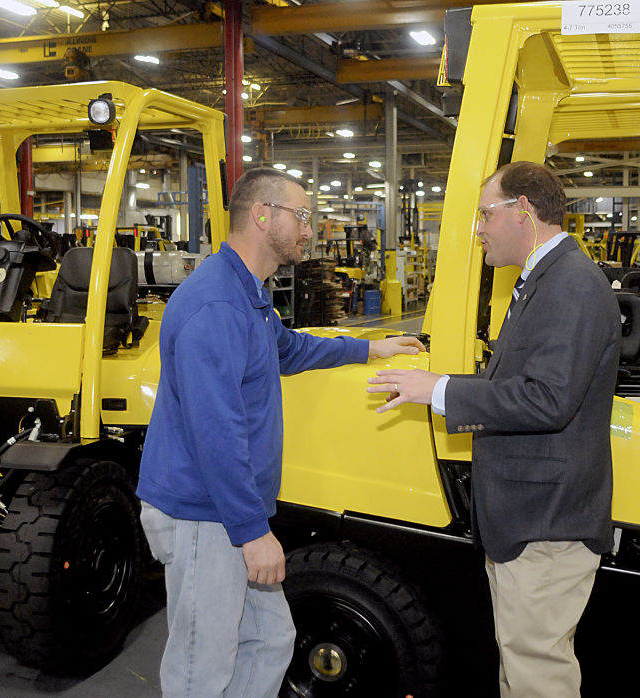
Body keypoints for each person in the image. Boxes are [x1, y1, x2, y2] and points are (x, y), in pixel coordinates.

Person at [137, 167, 425, 698]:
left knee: (271, 639)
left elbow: (287, 349)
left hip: (228, 512)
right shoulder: (217, 304)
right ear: (262, 215)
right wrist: (251, 531)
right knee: (202, 667)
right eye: (302, 216)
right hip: (206, 516)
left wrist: (366, 348)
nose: (310, 230)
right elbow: (215, 433)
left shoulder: (249, 292)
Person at [367, 161, 619, 697]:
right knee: (522, 667)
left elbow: (547, 399)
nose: (479, 228)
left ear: (522, 212)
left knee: (537, 675)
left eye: (485, 215)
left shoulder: (569, 285)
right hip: (528, 519)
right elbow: (524, 382)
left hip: (547, 524)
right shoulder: (542, 281)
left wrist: (438, 390)